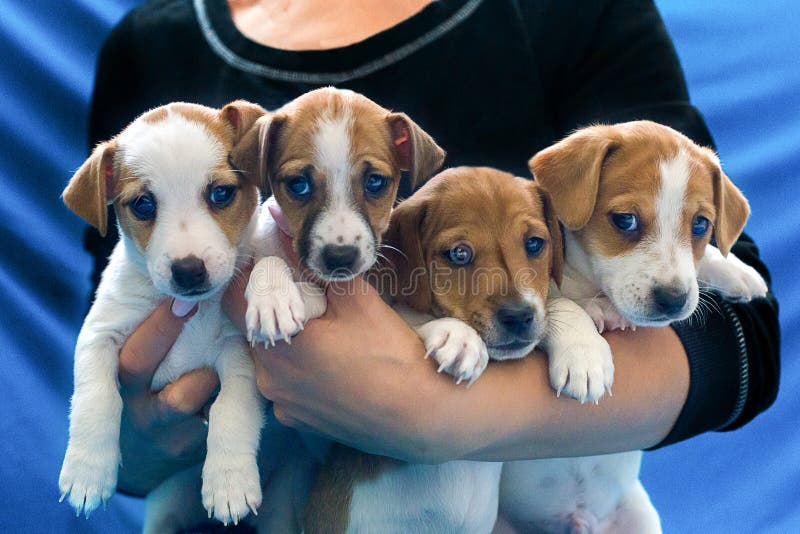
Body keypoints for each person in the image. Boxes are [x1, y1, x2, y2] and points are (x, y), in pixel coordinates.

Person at [85, 0, 779, 518]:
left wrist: (437, 415)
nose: (340, 233)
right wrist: (139, 433)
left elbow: (743, 339)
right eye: (295, 186)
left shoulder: (571, 13)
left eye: (377, 184)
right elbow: (128, 366)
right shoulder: (149, 48)